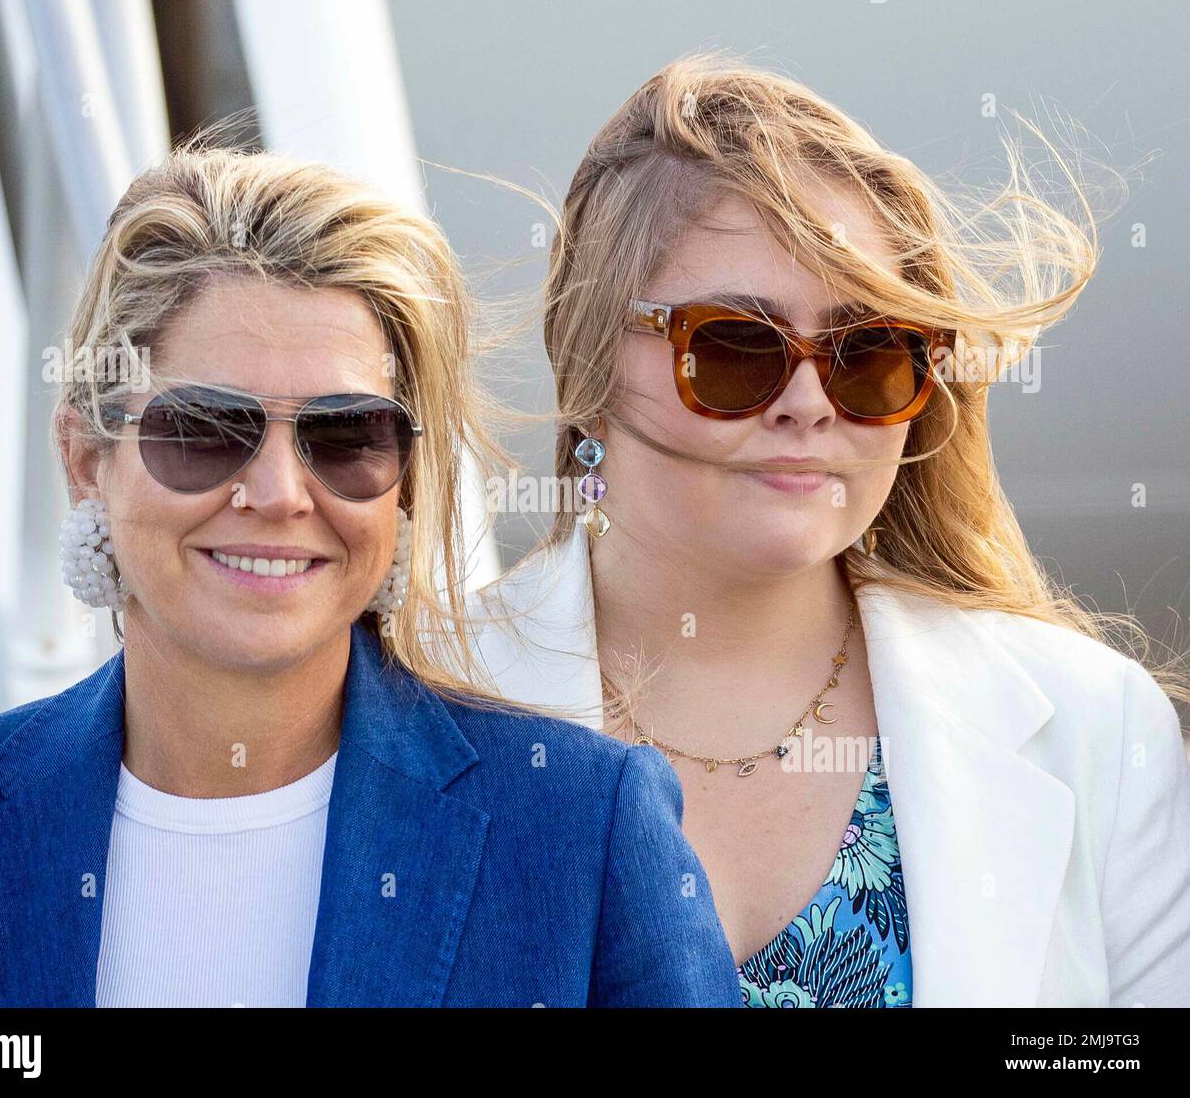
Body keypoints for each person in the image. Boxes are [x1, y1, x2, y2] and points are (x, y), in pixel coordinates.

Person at [0, 146, 739, 1008]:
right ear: (86, 460)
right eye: (206, 427)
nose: (278, 494)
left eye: (345, 436)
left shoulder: (581, 829)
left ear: (400, 483)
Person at [467, 53, 1190, 1007]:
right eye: (733, 347)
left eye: (870, 354)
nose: (809, 403)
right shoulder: (409, 700)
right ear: (588, 367)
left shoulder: (1096, 723)